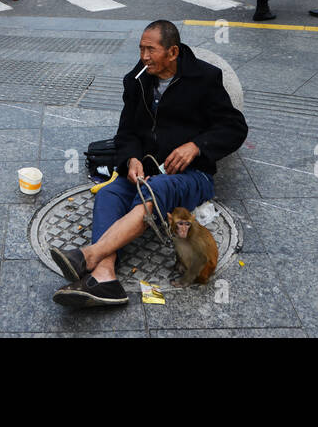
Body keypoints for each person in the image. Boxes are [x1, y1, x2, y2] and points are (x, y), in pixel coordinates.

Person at [50, 20, 248, 308]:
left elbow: (235, 128)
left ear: (173, 52)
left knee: (155, 189)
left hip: (193, 176)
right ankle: (105, 278)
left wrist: (196, 146)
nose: (144, 56)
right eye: (141, 49)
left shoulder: (204, 78)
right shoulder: (138, 79)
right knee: (108, 193)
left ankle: (89, 255)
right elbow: (126, 132)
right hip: (147, 170)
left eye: (150, 50)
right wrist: (131, 158)